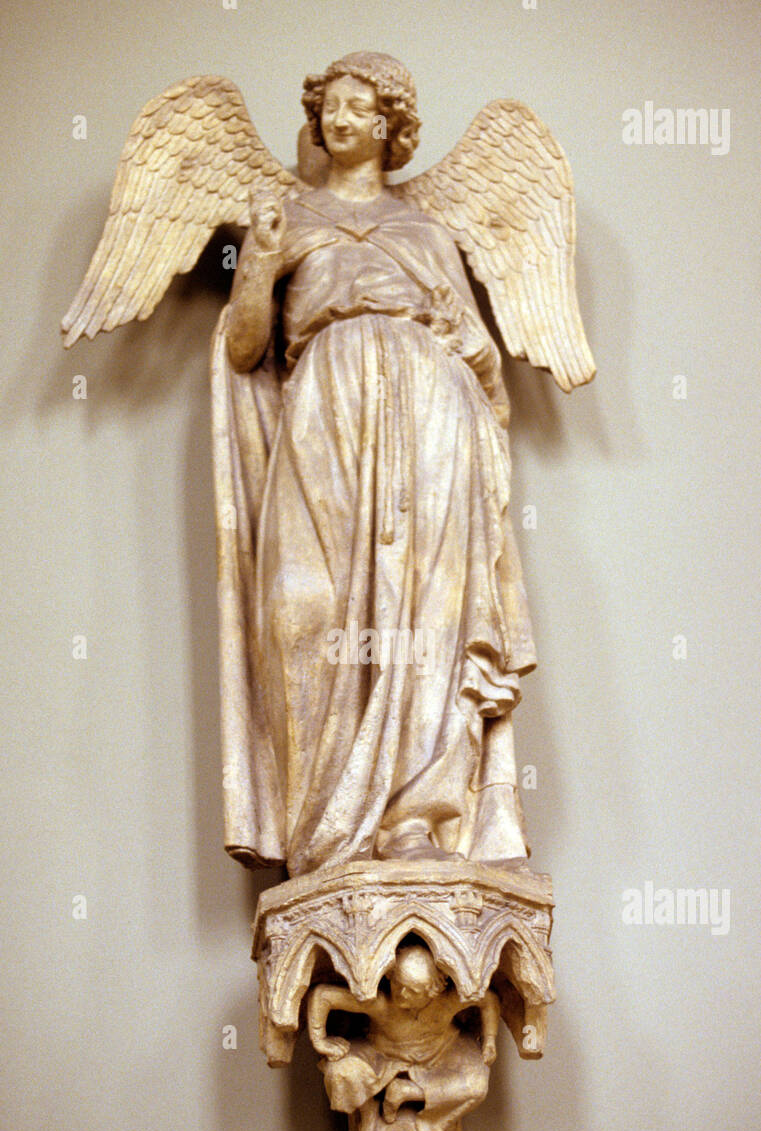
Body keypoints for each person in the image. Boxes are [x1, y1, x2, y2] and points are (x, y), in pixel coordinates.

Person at [213, 52, 536, 878]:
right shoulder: (289, 218)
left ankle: (412, 819)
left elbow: (482, 357)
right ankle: (324, 826)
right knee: (300, 606)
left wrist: (464, 358)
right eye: (332, 104)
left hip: (430, 413)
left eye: (362, 106)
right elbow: (247, 349)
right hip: (322, 401)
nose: (342, 118)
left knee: (429, 605)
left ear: (390, 126)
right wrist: (257, 257)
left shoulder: (426, 229)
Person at [307, 944, 500, 1131]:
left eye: (413, 991)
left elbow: (488, 1000)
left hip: (440, 1053)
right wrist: (320, 1039)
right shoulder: (381, 1004)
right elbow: (323, 995)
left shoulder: (445, 1003)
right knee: (339, 1072)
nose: (402, 994)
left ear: (432, 990)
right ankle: (366, 1108)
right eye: (398, 984)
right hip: (382, 1055)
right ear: (390, 976)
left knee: (476, 1087)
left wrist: (490, 1041)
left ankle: (408, 1092)